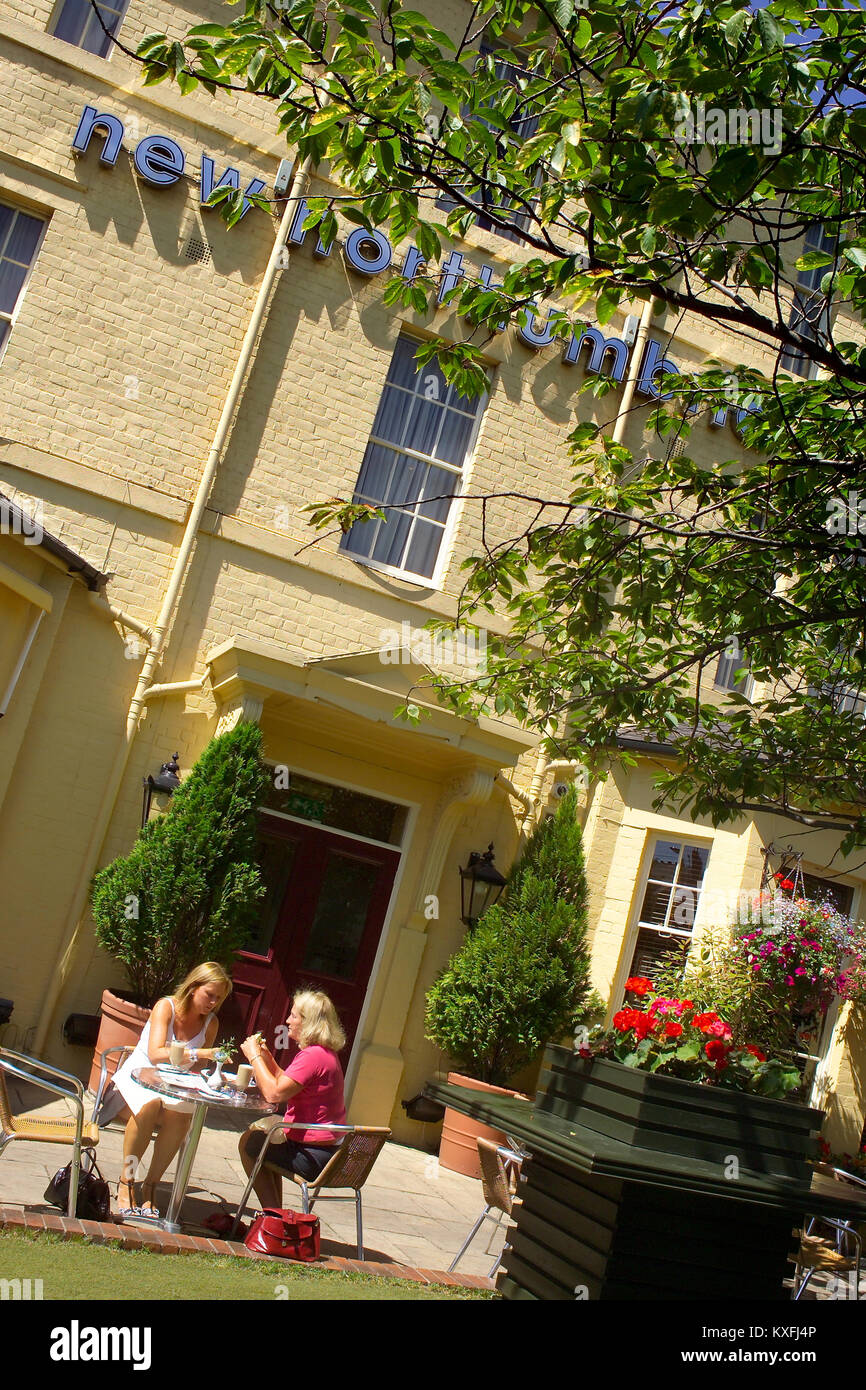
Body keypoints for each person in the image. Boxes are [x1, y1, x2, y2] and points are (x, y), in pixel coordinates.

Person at [112, 961, 232, 1217]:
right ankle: (127, 1181)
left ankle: (152, 1185)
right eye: (209, 995)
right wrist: (200, 1052)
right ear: (193, 987)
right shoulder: (165, 1007)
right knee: (149, 1106)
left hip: (174, 1084)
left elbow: (198, 1067)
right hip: (138, 1076)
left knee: (182, 1116)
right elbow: (155, 1054)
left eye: (218, 998)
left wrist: (214, 1076)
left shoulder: (210, 1023)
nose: (213, 1002)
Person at [238, 989, 347, 1209]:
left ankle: (273, 1216)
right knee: (264, 1138)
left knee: (250, 1142)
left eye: (294, 1016)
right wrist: (267, 1059)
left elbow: (274, 1094)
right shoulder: (323, 1054)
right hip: (328, 1153)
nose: (288, 1020)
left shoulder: (312, 1056)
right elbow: (287, 1084)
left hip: (313, 1157)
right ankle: (274, 1215)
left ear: (310, 1023)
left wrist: (254, 1057)